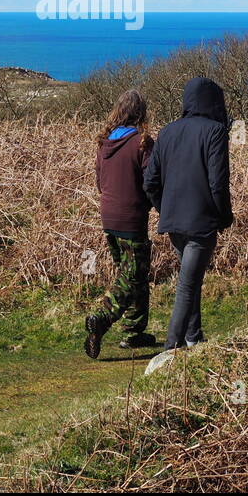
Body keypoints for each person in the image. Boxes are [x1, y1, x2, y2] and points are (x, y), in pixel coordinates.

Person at [143, 76, 233, 352]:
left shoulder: (167, 132)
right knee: (187, 286)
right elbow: (218, 183)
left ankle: (194, 337)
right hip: (201, 222)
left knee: (190, 280)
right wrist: (224, 216)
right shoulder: (216, 131)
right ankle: (171, 348)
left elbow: (150, 182)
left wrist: (163, 206)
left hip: (173, 222)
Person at [83, 89, 156, 359]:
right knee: (132, 276)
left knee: (134, 274)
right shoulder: (142, 142)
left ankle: (134, 332)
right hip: (132, 218)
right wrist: (154, 204)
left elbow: (99, 182)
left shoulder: (104, 143)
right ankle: (101, 318)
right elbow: (151, 182)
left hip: (109, 217)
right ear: (141, 113)